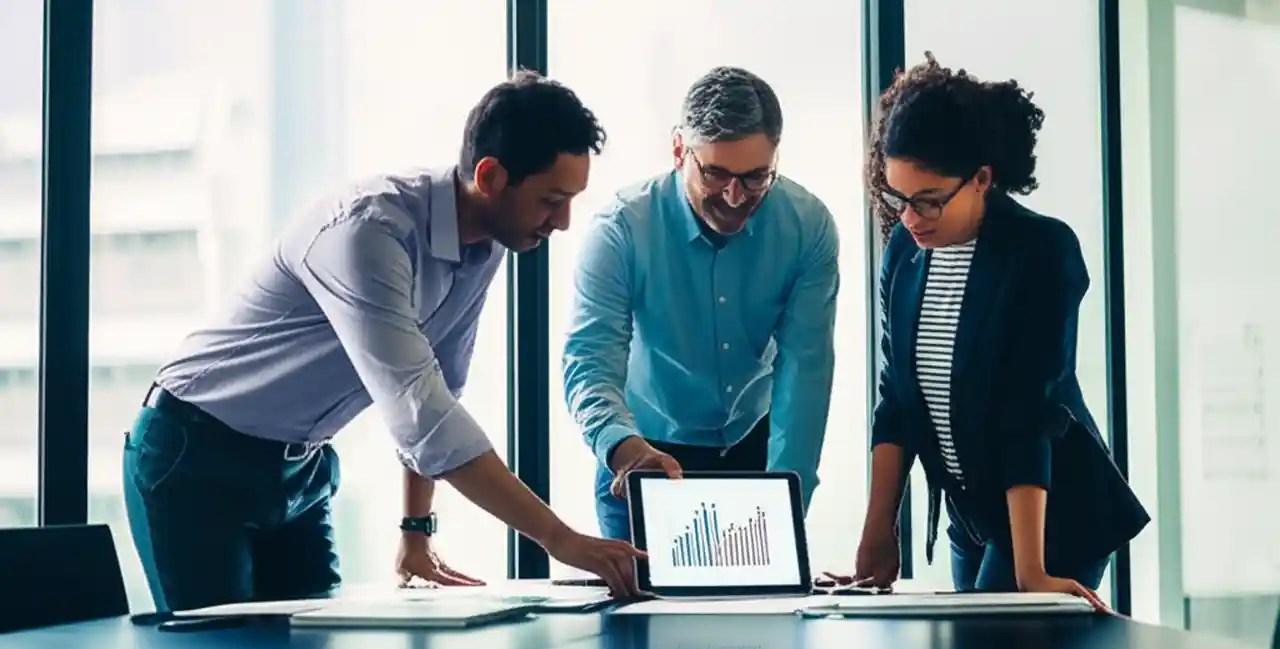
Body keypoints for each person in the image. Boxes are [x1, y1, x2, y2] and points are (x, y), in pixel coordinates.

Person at [122, 70, 646, 613]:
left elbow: (439, 391)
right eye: (551, 200)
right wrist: (560, 540)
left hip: (300, 470)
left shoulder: (484, 245)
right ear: (490, 176)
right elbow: (424, 415)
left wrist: (416, 530)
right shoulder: (369, 232)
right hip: (197, 455)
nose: (562, 222)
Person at [827, 53, 1149, 609]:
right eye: (898, 198)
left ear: (981, 179)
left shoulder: (1041, 251)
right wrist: (878, 535)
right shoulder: (904, 252)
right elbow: (896, 401)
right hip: (973, 518)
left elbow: (1030, 411)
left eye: (929, 201)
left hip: (1051, 518)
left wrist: (1032, 571)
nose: (910, 217)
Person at [562, 66, 839, 542]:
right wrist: (620, 445)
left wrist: (789, 501)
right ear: (679, 150)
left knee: (763, 592)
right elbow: (589, 361)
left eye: (755, 177)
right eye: (716, 173)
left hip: (756, 449)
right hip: (641, 453)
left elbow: (805, 372)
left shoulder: (807, 226)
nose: (734, 196)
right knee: (640, 594)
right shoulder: (621, 230)